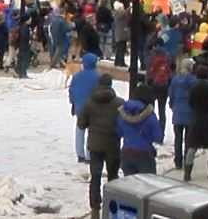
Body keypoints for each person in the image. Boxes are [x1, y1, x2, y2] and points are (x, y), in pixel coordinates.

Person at [77, 75, 124, 219]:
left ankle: (95, 208)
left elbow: (81, 124)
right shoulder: (119, 103)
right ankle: (112, 207)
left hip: (95, 145)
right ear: (111, 85)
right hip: (112, 145)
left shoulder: (89, 103)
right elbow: (124, 123)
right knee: (113, 177)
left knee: (95, 176)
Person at [184, 64, 208, 181]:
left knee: (192, 146)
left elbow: (189, 102)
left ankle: (187, 172)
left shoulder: (192, 88)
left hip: (196, 118)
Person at [116, 95, 162, 175]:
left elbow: (119, 132)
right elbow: (157, 136)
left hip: (126, 153)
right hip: (144, 154)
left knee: (130, 184)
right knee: (148, 183)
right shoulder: (150, 116)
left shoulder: (123, 114)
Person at [68, 53, 101, 163]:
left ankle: (80, 154)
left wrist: (73, 103)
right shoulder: (97, 77)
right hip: (93, 109)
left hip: (80, 108)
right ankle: (89, 155)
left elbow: (71, 91)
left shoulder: (77, 76)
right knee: (91, 132)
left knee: (79, 130)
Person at [169, 58, 196, 170]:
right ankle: (187, 160)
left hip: (177, 112)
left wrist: (173, 106)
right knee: (188, 139)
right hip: (189, 112)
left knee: (178, 139)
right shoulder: (193, 81)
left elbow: (171, 94)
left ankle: (178, 161)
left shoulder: (175, 80)